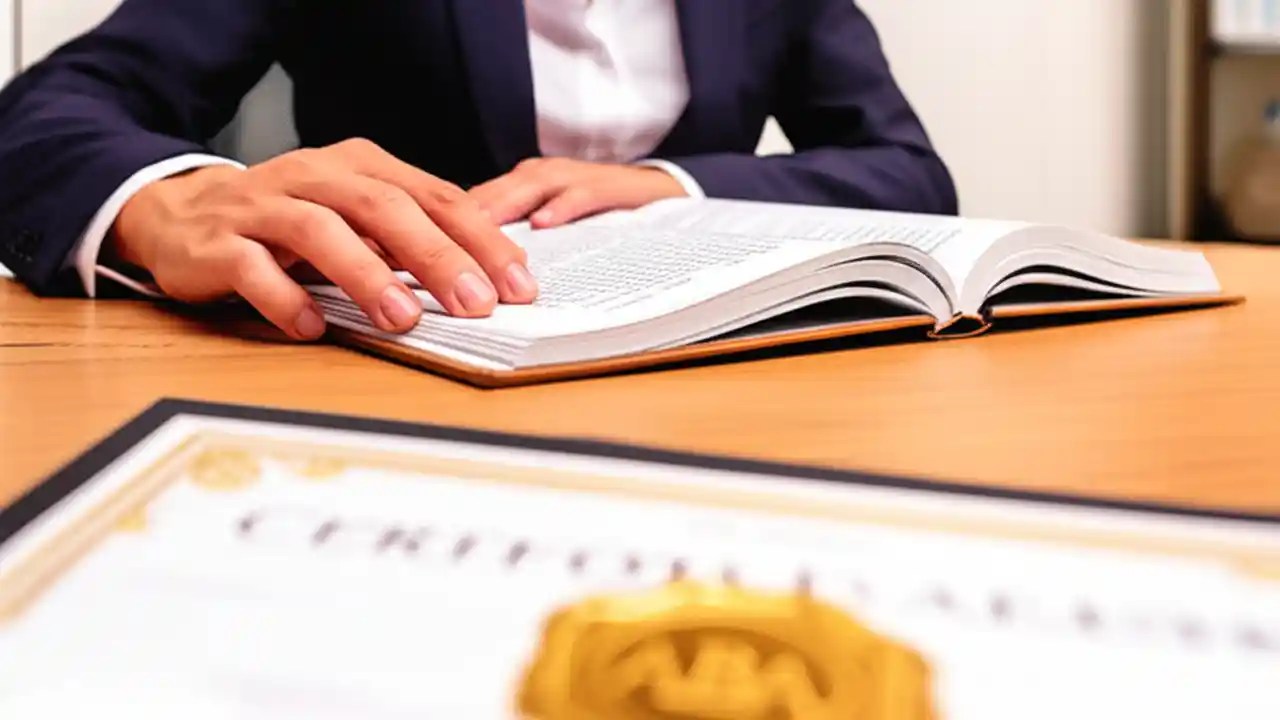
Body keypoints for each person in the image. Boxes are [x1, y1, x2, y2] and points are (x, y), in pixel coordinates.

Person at [0, 0, 957, 341]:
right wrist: (160, 205)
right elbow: (53, 112)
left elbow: (907, 169)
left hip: (737, 372)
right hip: (404, 365)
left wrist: (677, 182)